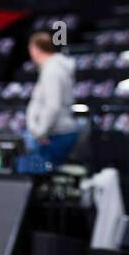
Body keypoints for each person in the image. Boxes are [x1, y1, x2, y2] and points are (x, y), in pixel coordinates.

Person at [20, 33, 78, 173]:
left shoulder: (52, 71)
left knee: (28, 171)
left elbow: (53, 105)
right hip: (55, 132)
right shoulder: (51, 68)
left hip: (56, 134)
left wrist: (40, 132)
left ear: (35, 49)